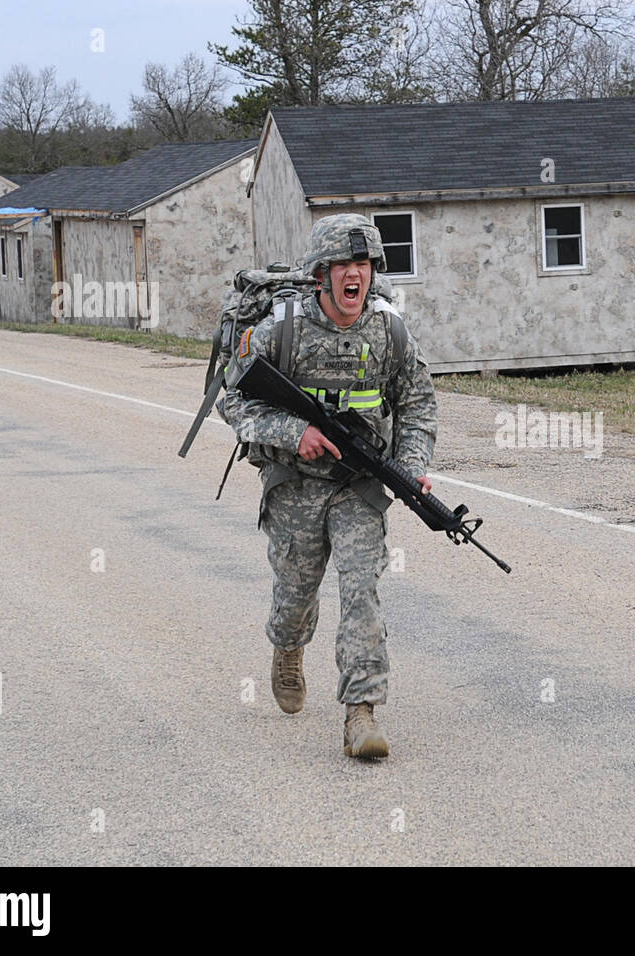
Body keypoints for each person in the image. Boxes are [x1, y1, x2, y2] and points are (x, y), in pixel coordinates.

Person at [219, 214, 438, 759]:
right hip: (294, 484)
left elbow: (417, 405)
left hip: (357, 487)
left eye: (363, 264)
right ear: (321, 273)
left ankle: (361, 712)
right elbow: (234, 401)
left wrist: (410, 465)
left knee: (361, 586)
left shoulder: (389, 332)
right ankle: (288, 647)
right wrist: (296, 433)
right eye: (343, 264)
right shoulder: (281, 331)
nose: (354, 275)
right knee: (296, 593)